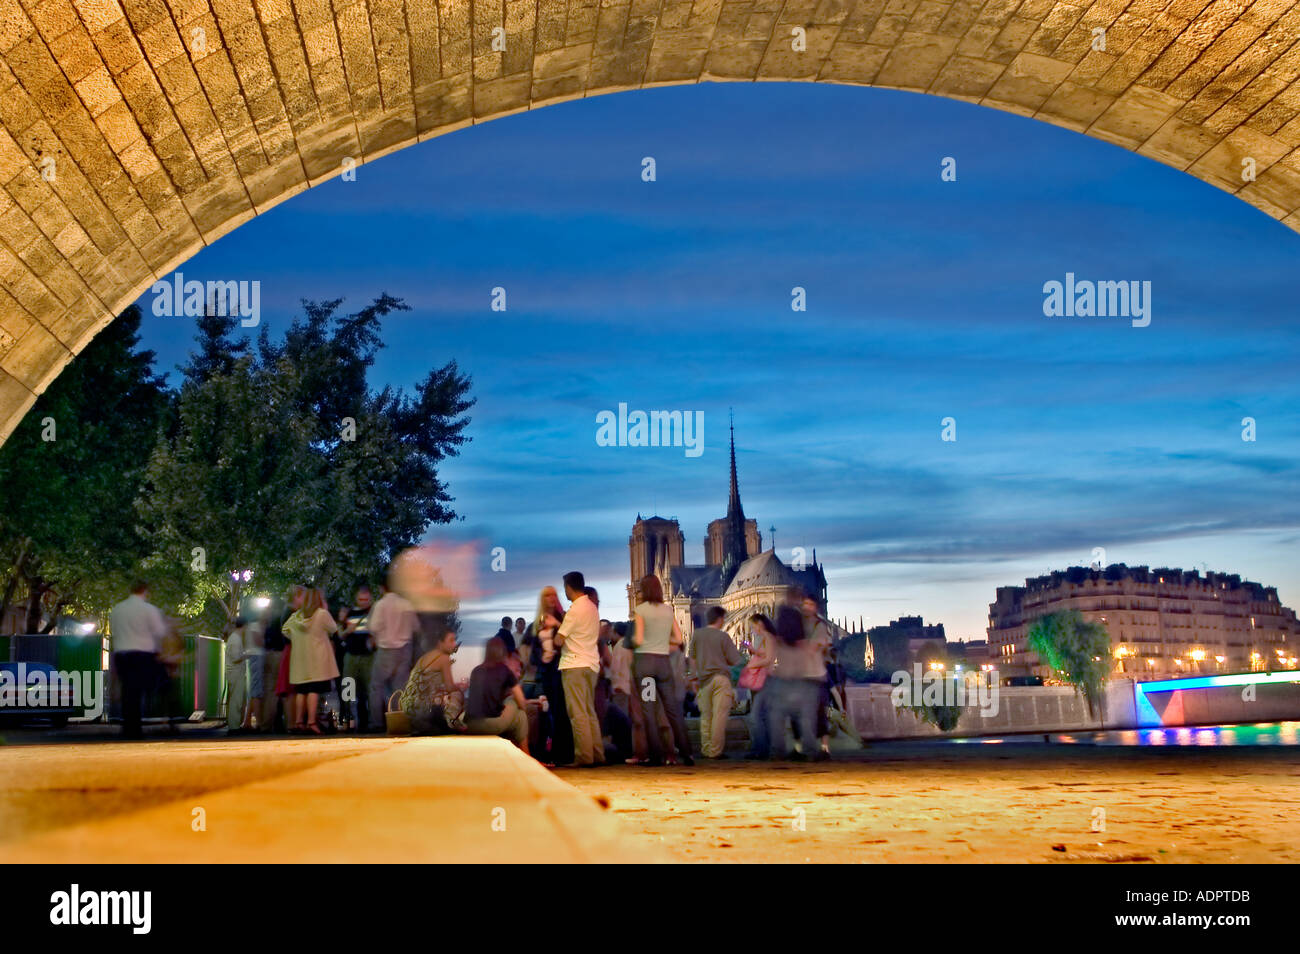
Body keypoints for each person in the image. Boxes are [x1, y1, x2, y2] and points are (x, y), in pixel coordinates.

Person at [631, 574, 693, 766]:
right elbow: (679, 639)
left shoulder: (640, 610)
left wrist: (634, 642)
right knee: (672, 710)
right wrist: (664, 644)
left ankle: (656, 755)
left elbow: (639, 639)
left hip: (646, 666)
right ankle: (687, 753)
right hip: (663, 666)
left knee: (649, 710)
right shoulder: (668, 610)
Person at [766, 587, 826, 761]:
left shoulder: (787, 618)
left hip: (791, 675)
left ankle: (781, 751)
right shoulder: (799, 620)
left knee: (779, 715)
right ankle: (807, 750)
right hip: (801, 675)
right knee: (806, 716)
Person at [554, 571, 605, 767]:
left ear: (569, 587)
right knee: (589, 711)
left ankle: (584, 756)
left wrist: (556, 627)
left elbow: (560, 640)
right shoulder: (592, 607)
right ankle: (597, 753)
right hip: (591, 663)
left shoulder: (574, 610)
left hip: (574, 664)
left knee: (577, 712)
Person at [108, 581, 168, 740]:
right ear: (145, 591)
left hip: (122, 654)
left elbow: (114, 631)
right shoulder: (149, 610)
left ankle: (128, 726)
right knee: (139, 691)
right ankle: (136, 728)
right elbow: (160, 631)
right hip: (142, 654)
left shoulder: (117, 609)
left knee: (127, 690)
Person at [283, 587, 339, 734]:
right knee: (313, 690)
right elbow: (334, 629)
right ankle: (312, 722)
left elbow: (285, 630)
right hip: (317, 661)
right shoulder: (321, 614)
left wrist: (297, 639)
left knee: (301, 691)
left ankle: (298, 722)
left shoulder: (296, 616)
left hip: (300, 661)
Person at [689, 606, 741, 758]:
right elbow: (735, 660)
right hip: (721, 679)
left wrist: (693, 677)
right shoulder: (723, 636)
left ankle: (706, 749)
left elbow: (691, 658)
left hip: (703, 681)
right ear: (719, 619)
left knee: (706, 716)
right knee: (719, 716)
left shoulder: (697, 634)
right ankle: (715, 752)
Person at [528, 585, 572, 764]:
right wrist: (542, 658)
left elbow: (570, 639)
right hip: (546, 671)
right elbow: (533, 651)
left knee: (562, 711)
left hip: (560, 668)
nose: (552, 598)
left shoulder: (562, 618)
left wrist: (557, 626)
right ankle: (552, 753)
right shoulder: (538, 623)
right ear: (543, 599)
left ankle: (565, 754)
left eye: (554, 595)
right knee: (551, 711)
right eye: (547, 596)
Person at [369, 576, 417, 733]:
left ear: (382, 587)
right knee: (400, 688)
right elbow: (415, 626)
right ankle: (399, 722)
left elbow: (374, 626)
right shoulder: (406, 604)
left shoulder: (380, 605)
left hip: (385, 650)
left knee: (377, 687)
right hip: (405, 650)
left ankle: (377, 723)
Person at [465, 636, 529, 751]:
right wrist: (513, 698)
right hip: (491, 725)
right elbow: (522, 703)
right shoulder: (505, 670)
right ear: (502, 652)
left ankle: (526, 754)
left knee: (520, 717)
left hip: (470, 725)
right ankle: (529, 757)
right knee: (516, 702)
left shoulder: (476, 670)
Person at [400, 629, 464, 734]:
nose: (455, 644)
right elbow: (449, 687)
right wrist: (461, 687)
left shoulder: (424, 657)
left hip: (407, 707)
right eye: (451, 640)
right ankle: (450, 724)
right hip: (423, 709)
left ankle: (425, 726)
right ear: (440, 643)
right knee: (457, 694)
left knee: (442, 696)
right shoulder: (444, 658)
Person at [339, 586, 375, 730]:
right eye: (361, 599)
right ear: (356, 599)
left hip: (368, 656)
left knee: (368, 690)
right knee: (348, 688)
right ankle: (348, 720)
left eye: (366, 599)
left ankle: (367, 722)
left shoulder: (373, 614)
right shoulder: (350, 613)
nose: (364, 602)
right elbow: (340, 634)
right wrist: (347, 629)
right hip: (351, 655)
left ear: (370, 599)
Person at [742, 613, 777, 759]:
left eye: (752, 626)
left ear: (760, 624)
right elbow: (765, 655)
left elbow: (769, 658)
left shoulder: (768, 637)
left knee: (755, 716)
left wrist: (752, 664)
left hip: (764, 680)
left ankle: (761, 750)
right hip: (765, 680)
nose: (752, 629)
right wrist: (752, 649)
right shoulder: (766, 638)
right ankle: (764, 749)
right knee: (763, 716)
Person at [260, 599, 287, 732]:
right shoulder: (283, 619)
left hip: (268, 654)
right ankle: (283, 723)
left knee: (269, 692)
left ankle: (266, 724)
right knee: (283, 691)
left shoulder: (268, 621)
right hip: (280, 654)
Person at [225, 617, 250, 733]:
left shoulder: (234, 637)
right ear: (244, 626)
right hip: (236, 672)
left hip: (234, 672)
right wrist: (247, 655)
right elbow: (236, 657)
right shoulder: (235, 639)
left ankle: (234, 725)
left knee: (237, 699)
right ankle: (234, 726)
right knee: (236, 700)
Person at [242, 609, 266, 730]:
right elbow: (259, 642)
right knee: (256, 691)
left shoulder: (250, 627)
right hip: (257, 657)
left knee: (253, 691)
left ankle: (247, 721)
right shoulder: (255, 626)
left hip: (253, 658)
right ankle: (259, 722)